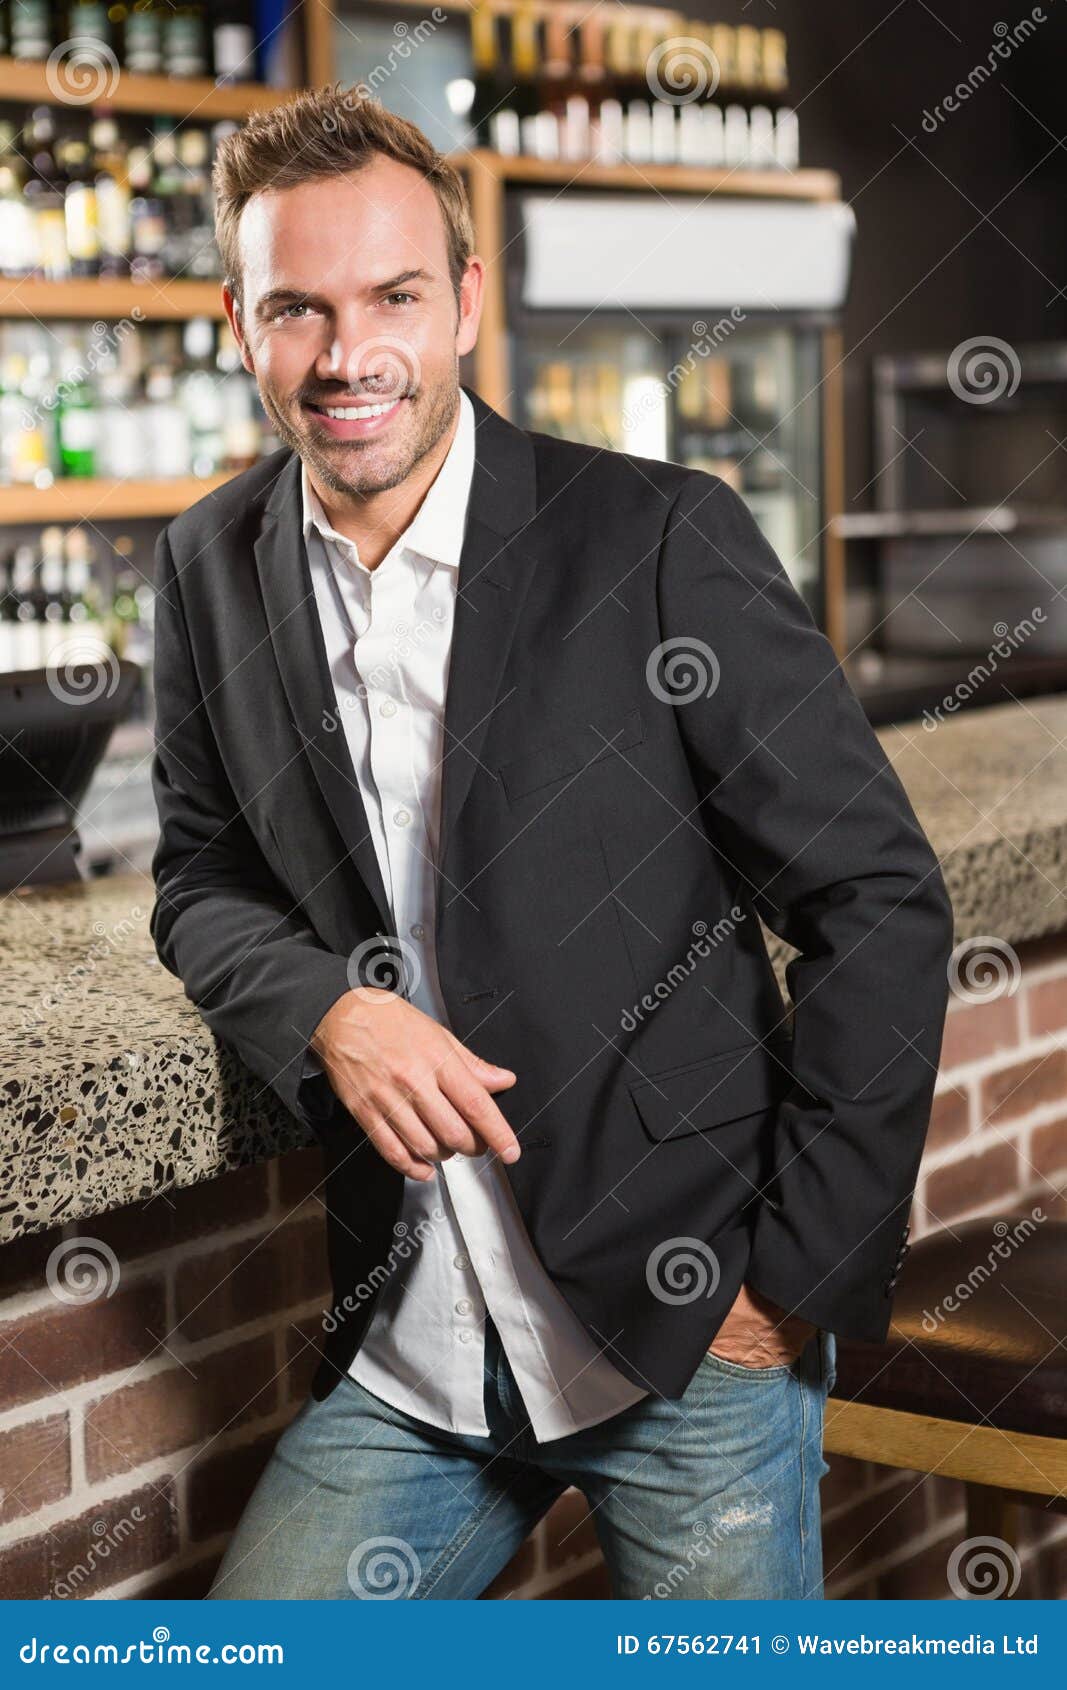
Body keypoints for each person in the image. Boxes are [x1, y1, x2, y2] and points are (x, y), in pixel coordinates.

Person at [147, 84, 954, 1601]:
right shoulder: (203, 569)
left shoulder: (654, 537)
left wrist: (786, 1284)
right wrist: (325, 1004)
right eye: (296, 310)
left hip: (684, 1321)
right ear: (240, 326)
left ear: (462, 302)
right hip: (411, 1344)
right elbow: (198, 874)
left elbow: (880, 897)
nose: (346, 355)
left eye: (391, 296)